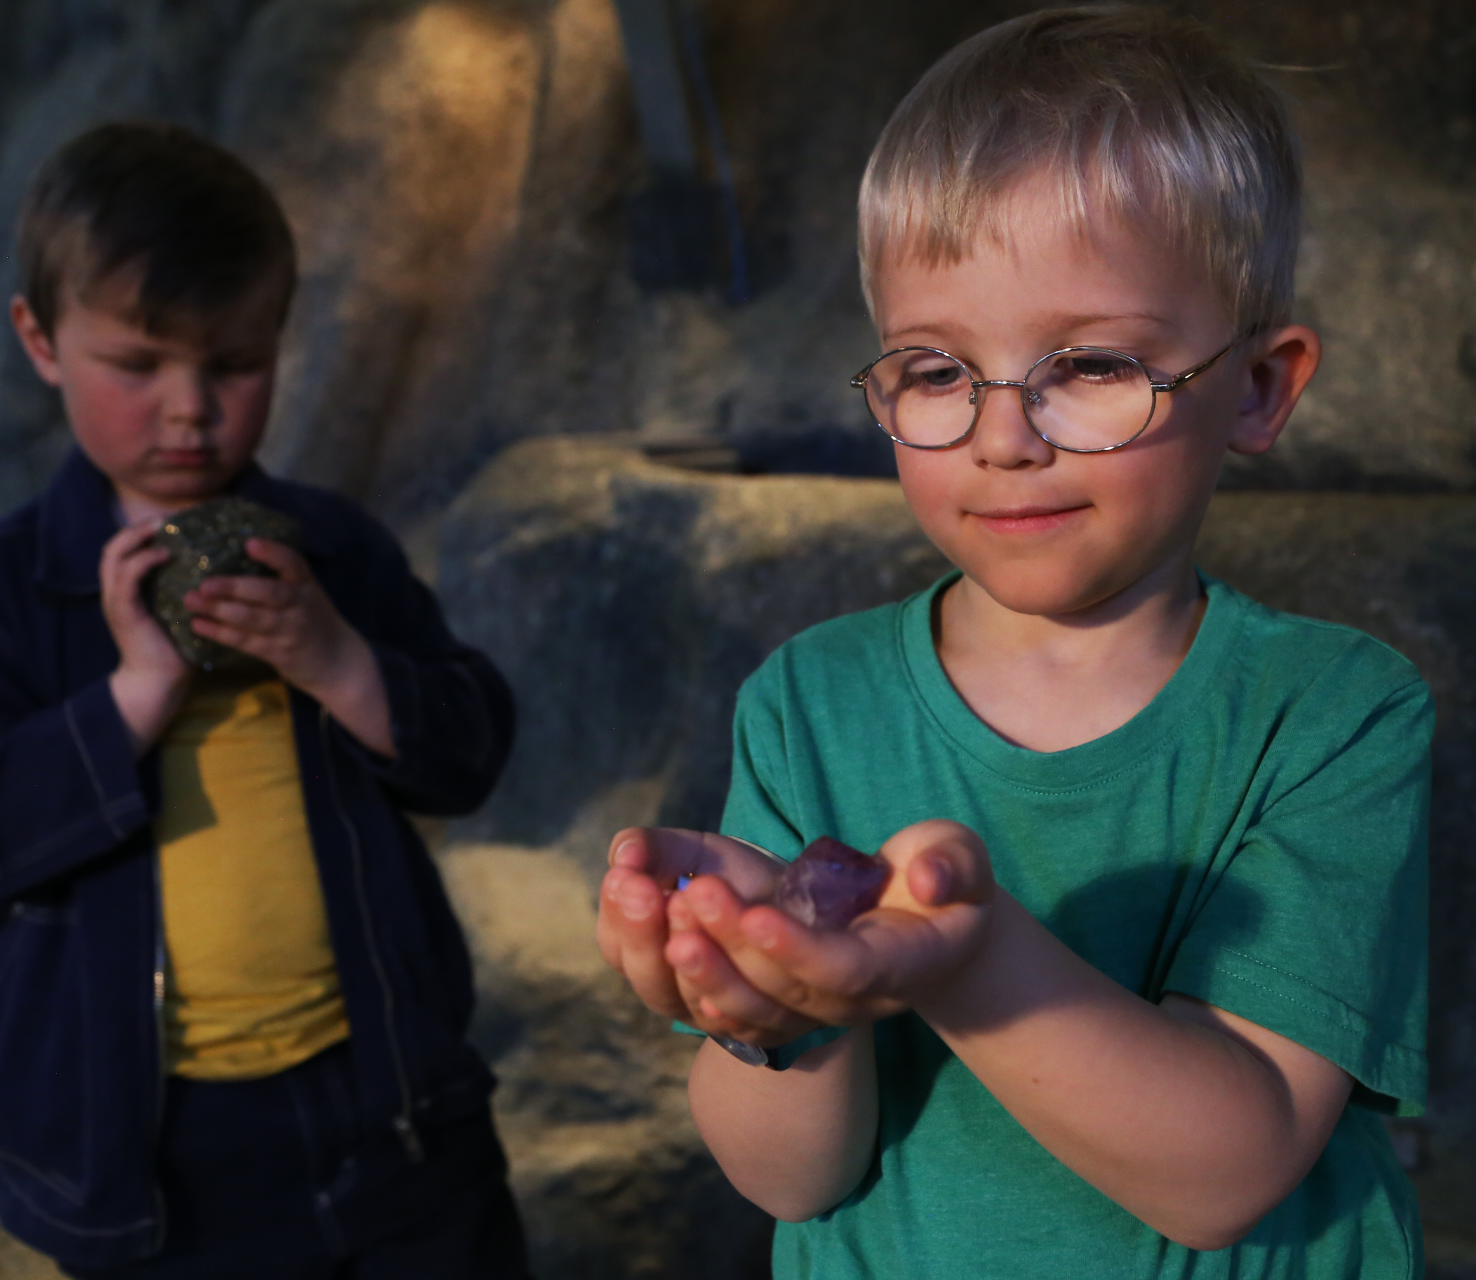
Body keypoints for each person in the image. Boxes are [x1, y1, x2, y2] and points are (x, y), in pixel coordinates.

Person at [597, 7, 1430, 1278]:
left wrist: (965, 953)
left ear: (1259, 387)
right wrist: (771, 1001)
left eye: (1089, 364)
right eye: (936, 371)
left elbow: (1229, 1170)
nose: (1003, 437)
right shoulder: (810, 700)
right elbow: (793, 1176)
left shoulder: (1331, 712)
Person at [0, 121, 528, 1278]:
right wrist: (135, 692)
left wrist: (341, 663)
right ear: (40, 339)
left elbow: (473, 749)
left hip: (395, 1109)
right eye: (138, 365)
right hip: (149, 1152)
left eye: (235, 363)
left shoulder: (332, 549)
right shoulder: (18, 587)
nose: (189, 407)